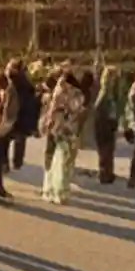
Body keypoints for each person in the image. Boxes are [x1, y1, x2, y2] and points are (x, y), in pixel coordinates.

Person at [41, 73, 87, 205]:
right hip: (64, 130)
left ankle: (52, 190)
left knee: (57, 161)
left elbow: (52, 111)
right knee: (62, 161)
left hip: (61, 129)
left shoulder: (65, 93)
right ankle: (57, 191)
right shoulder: (76, 95)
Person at [93, 66, 126, 185]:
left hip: (110, 124)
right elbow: (98, 111)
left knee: (110, 150)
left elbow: (118, 108)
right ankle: (104, 173)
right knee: (104, 151)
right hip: (103, 125)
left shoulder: (114, 94)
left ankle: (108, 172)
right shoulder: (104, 94)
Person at [6, 60, 40, 171]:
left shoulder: (10, 80)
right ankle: (18, 162)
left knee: (5, 139)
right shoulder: (26, 82)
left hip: (12, 113)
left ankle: (4, 163)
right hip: (23, 114)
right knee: (19, 139)